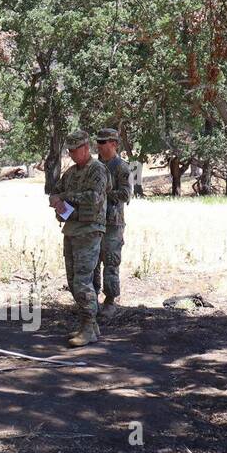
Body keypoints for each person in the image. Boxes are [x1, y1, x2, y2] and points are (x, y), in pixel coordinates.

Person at [49, 130, 108, 347]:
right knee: (74, 280)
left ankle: (88, 326)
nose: (72, 155)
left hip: (90, 230)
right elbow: (57, 191)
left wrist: (64, 197)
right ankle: (89, 326)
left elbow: (94, 197)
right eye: (70, 151)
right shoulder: (71, 173)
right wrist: (56, 200)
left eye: (75, 151)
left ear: (86, 148)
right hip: (72, 229)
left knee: (83, 281)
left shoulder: (98, 170)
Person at [93, 127, 131, 320]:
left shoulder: (121, 167)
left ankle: (109, 302)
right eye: (97, 142)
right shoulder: (93, 165)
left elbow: (125, 194)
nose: (99, 145)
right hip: (94, 222)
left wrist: (103, 195)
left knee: (110, 262)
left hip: (113, 224)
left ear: (114, 144)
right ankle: (92, 300)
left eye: (103, 142)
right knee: (92, 262)